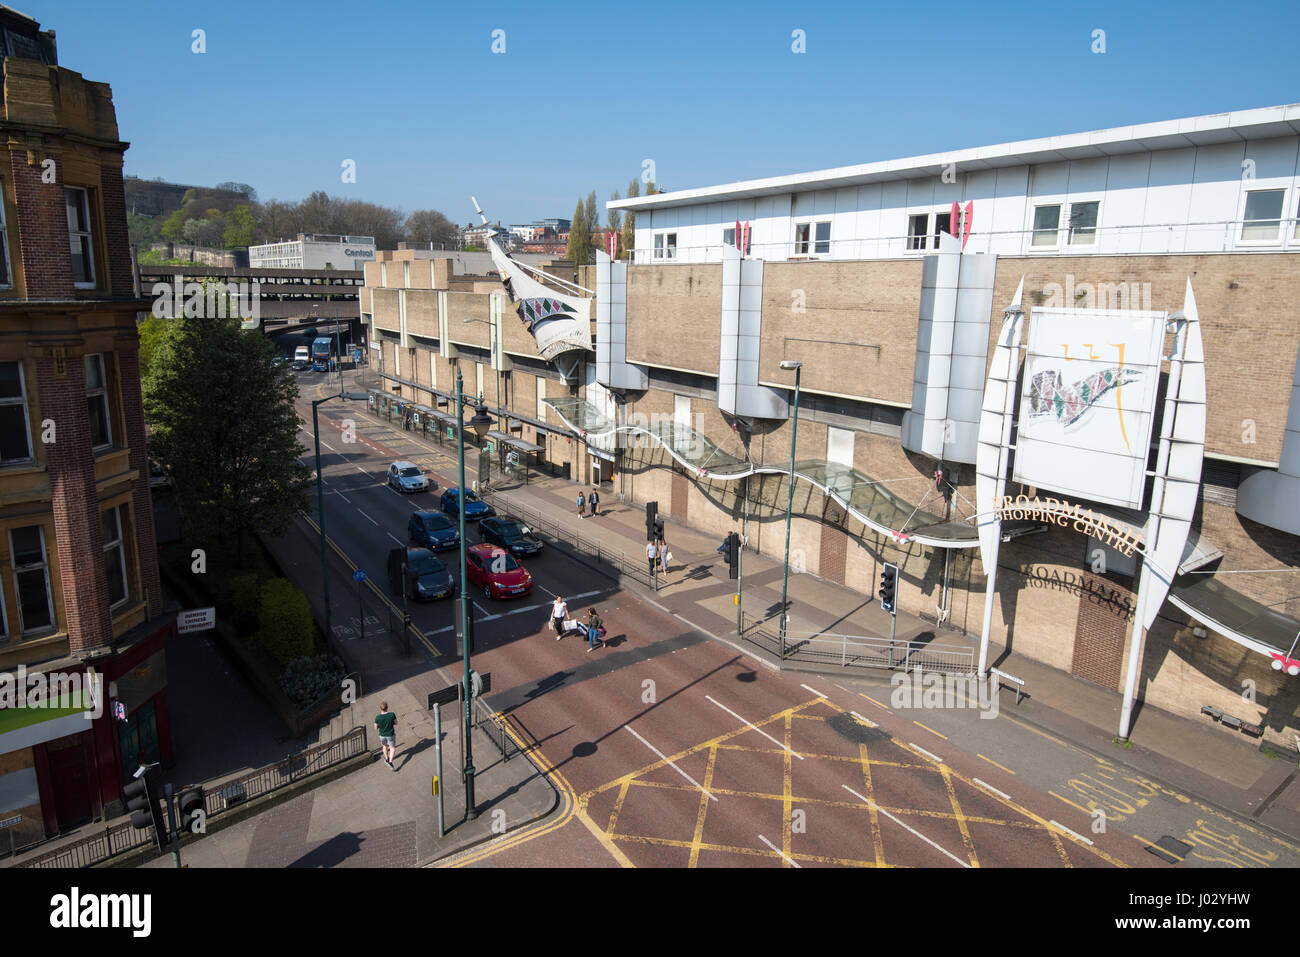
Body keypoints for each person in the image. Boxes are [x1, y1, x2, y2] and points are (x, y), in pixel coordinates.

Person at [375, 702, 398, 770]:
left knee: (384, 746)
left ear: (380, 708)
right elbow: (396, 723)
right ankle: (390, 762)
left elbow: (375, 728)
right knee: (392, 748)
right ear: (387, 708)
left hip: (382, 735)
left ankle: (387, 759)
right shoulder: (391, 715)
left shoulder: (377, 718)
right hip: (390, 734)